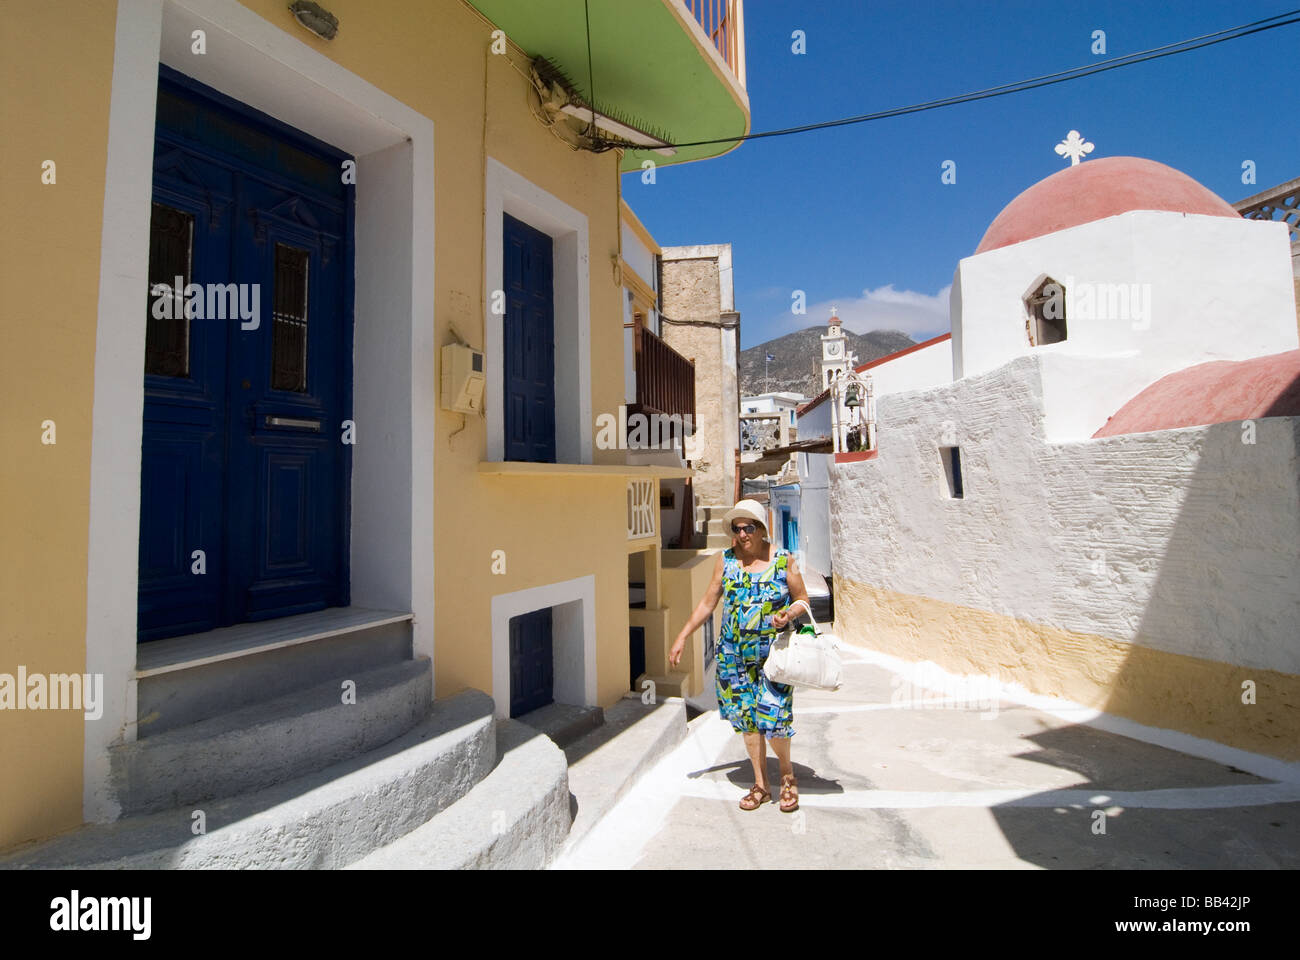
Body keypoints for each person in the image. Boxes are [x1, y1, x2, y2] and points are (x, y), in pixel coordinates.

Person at [669, 498, 811, 812]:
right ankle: (761, 785)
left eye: (748, 528)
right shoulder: (726, 561)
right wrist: (682, 636)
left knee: (774, 718)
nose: (742, 534)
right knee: (747, 721)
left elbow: (803, 599)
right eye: (737, 529)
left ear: (762, 530)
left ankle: (787, 777)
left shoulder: (783, 560)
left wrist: (787, 613)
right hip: (733, 657)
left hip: (773, 657)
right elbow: (707, 604)